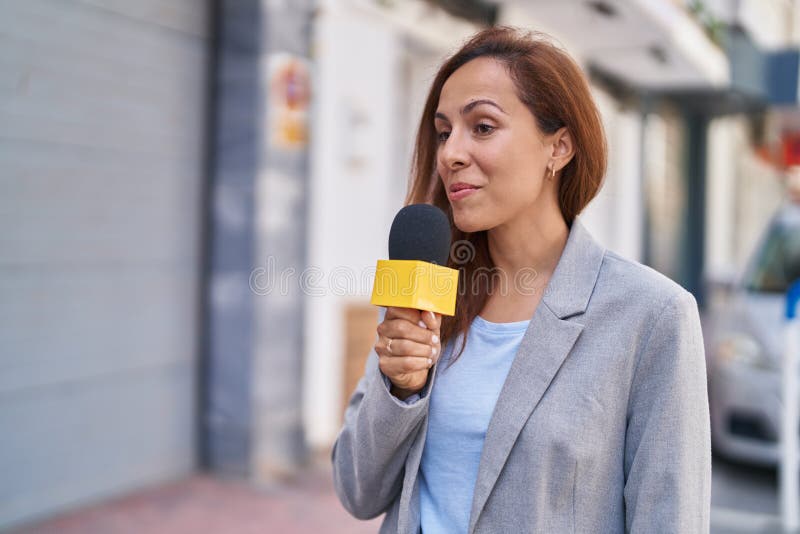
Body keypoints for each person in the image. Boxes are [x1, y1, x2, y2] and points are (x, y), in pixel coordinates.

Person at [332, 26, 710, 533]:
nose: (450, 154)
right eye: (444, 132)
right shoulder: (424, 291)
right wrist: (400, 390)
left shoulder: (651, 316)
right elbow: (358, 492)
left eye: (482, 127)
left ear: (559, 148)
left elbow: (670, 519)